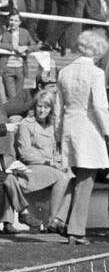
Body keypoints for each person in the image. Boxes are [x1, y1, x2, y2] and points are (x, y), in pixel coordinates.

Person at [56, 28, 109, 245]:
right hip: (88, 128)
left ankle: (61, 217)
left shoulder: (64, 71)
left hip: (69, 127)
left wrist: (58, 133)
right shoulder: (96, 73)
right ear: (98, 51)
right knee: (86, 180)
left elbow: (58, 108)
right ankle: (76, 230)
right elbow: (100, 106)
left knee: (78, 176)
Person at [15, 86, 72, 231]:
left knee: (72, 176)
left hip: (50, 166)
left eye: (46, 107)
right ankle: (53, 220)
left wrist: (59, 162)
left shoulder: (53, 126)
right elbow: (25, 154)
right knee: (62, 177)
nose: (42, 110)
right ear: (35, 106)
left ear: (51, 109)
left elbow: (56, 150)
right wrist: (48, 162)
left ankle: (60, 219)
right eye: (40, 106)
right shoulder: (26, 124)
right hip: (31, 168)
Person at [0, 10, 34, 102]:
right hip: (8, 68)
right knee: (12, 97)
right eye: (11, 20)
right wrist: (13, 47)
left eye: (16, 21)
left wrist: (25, 47)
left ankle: (16, 114)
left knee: (19, 96)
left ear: (20, 22)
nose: (13, 23)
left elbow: (35, 46)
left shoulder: (25, 32)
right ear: (8, 20)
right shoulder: (4, 32)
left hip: (21, 68)